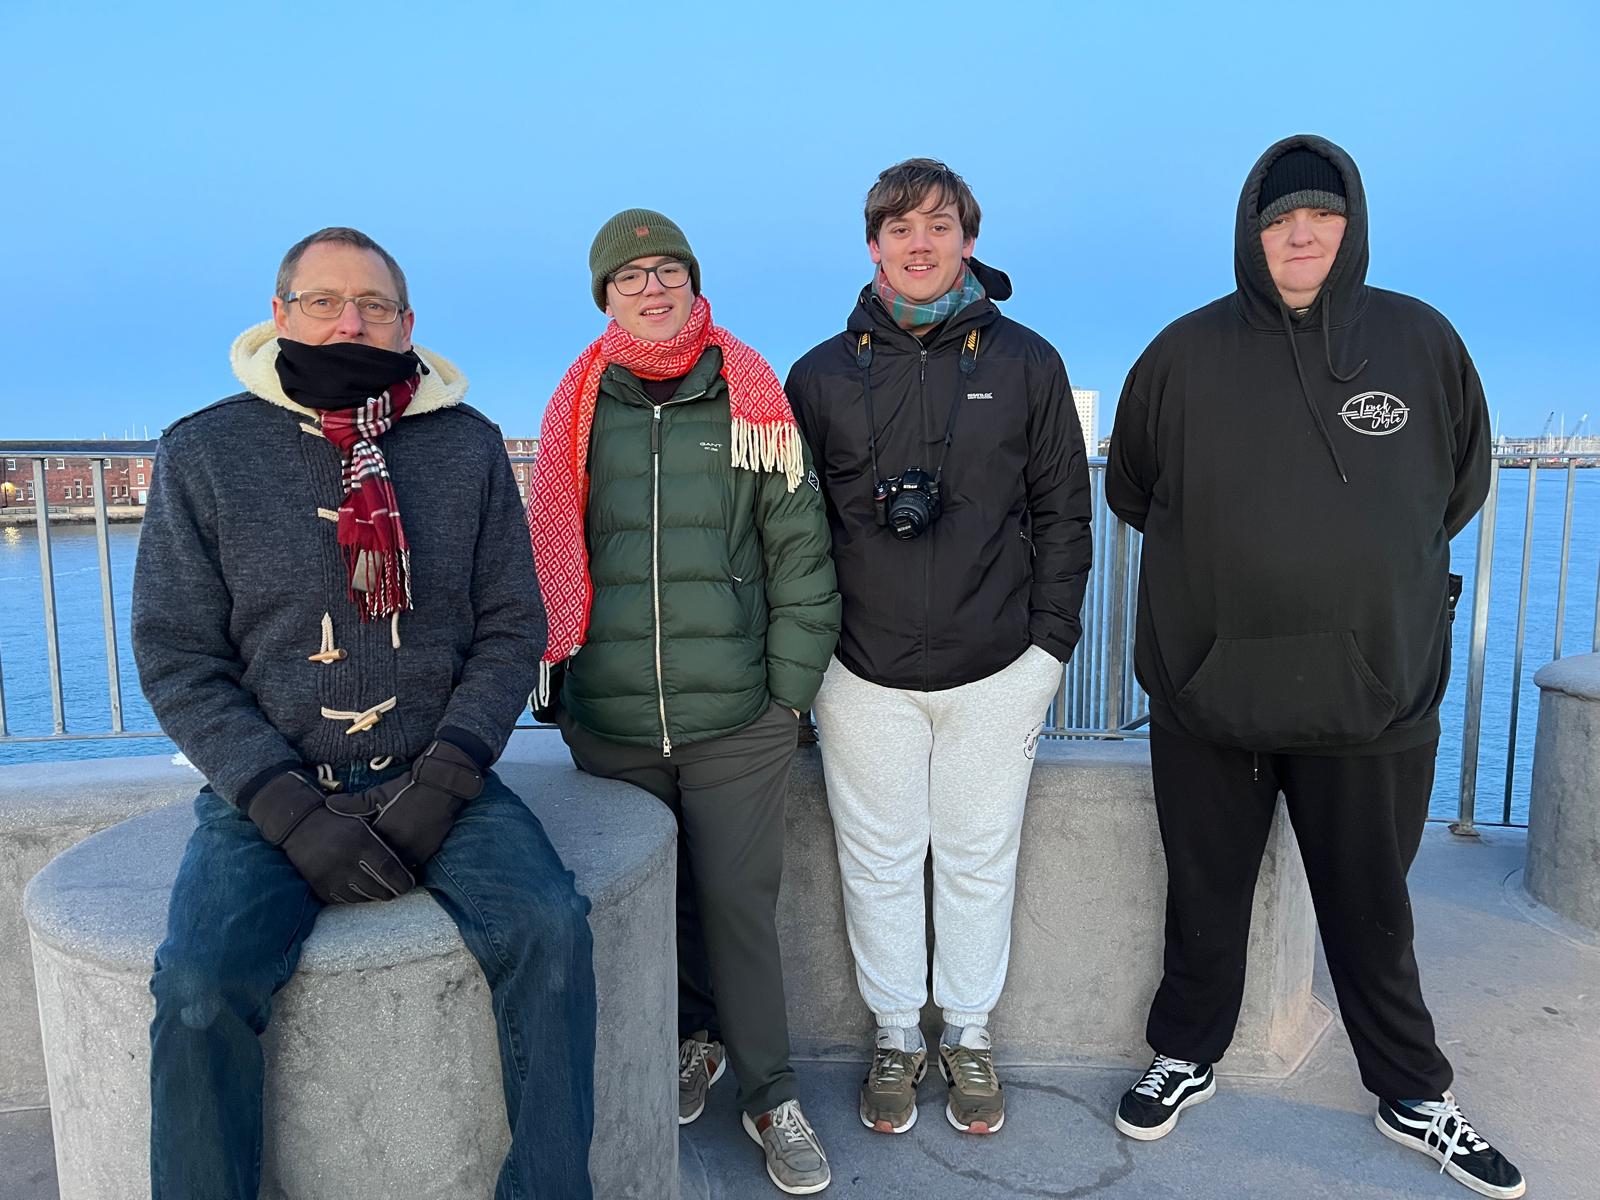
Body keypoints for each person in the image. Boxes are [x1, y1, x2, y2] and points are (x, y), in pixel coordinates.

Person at [132, 227, 596, 1200]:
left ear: (408, 325)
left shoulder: (462, 445)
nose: (351, 321)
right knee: (197, 990)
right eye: (324, 302)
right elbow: (178, 658)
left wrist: (445, 778)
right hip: (270, 792)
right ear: (279, 315)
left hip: (441, 776)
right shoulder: (203, 451)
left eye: (375, 305)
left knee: (551, 933)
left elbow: (513, 625)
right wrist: (287, 808)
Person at [1105, 135, 1523, 1199]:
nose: (1301, 234)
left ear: (1351, 226)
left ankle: (1411, 1091)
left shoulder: (1421, 343)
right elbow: (1136, 490)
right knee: (1204, 896)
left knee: (1373, 909)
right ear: (1252, 232)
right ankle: (1186, 1054)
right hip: (1211, 689)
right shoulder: (1179, 354)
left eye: (1321, 216)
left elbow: (1457, 485)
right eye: (1280, 218)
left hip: (1372, 693)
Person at [529, 209, 840, 1195]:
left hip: (735, 720)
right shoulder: (579, 404)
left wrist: (785, 699)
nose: (651, 289)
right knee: (647, 909)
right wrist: (562, 686)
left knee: (740, 909)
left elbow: (800, 550)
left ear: (692, 281)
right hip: (612, 720)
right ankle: (685, 1044)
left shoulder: (750, 398)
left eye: (666, 271)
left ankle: (771, 1093)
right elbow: (545, 557)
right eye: (630, 278)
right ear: (605, 296)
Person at [785, 159, 1092, 1138]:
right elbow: (793, 531)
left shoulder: (1027, 363)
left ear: (968, 237)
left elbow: (1063, 519)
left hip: (996, 666)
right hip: (859, 669)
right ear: (872, 245)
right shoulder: (820, 374)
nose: (919, 243)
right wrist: (808, 660)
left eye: (938, 225)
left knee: (975, 859)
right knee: (875, 862)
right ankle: (893, 1037)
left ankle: (965, 1031)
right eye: (899, 228)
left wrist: (1048, 651)